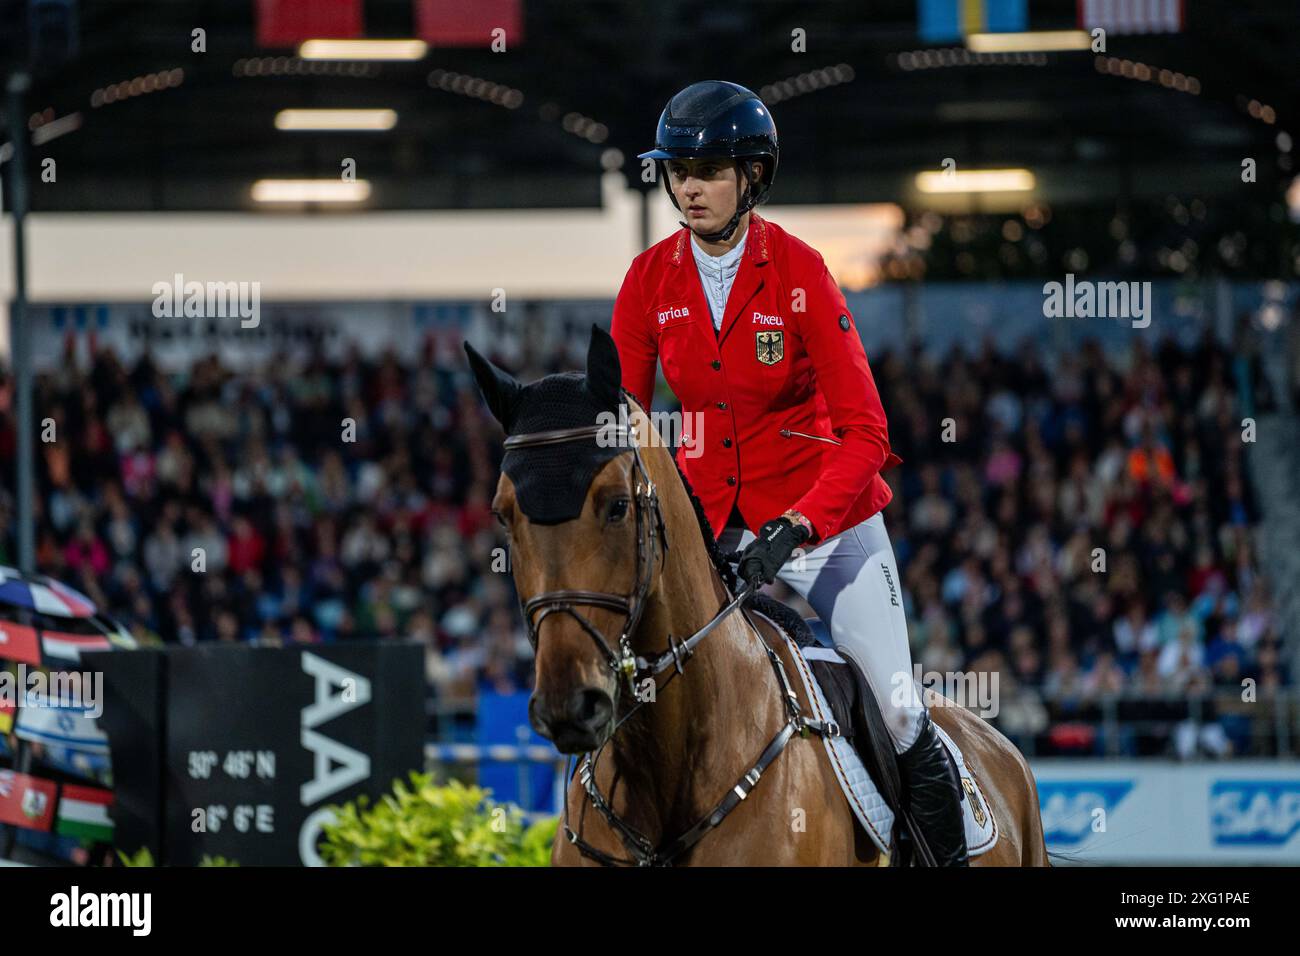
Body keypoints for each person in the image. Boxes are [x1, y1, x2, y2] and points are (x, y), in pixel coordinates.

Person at [609, 80, 968, 865]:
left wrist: (798, 524)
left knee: (901, 708)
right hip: (706, 529)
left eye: (707, 169)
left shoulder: (800, 271)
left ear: (753, 177)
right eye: (676, 170)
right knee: (631, 681)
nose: (687, 187)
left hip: (820, 524)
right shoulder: (646, 283)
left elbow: (868, 433)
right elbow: (625, 428)